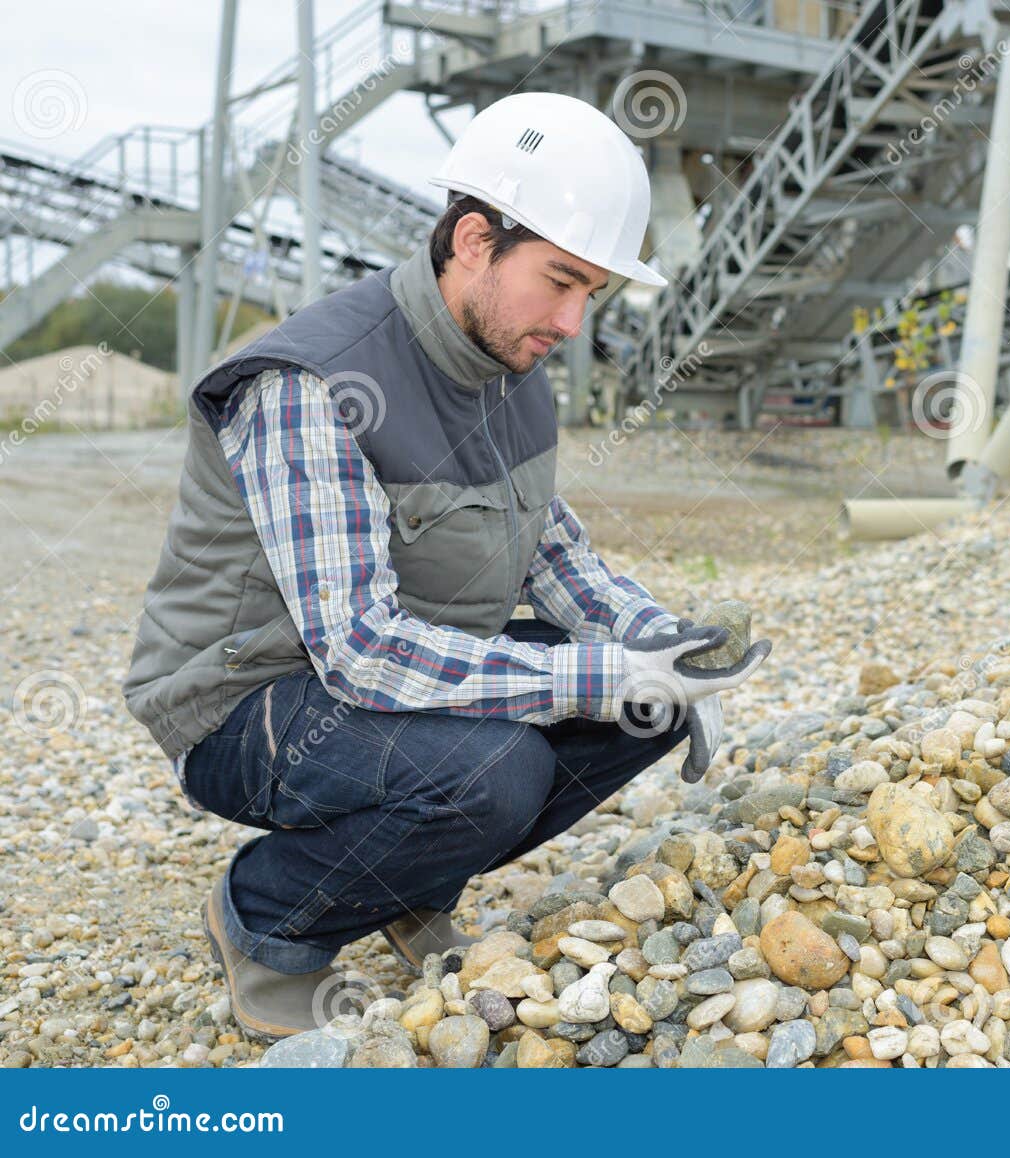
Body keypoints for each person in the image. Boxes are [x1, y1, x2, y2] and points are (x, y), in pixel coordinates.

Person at [120, 91, 770, 1041]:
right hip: (247, 697)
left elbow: (553, 555)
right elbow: (359, 649)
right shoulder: (313, 384)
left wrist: (660, 650)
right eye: (560, 280)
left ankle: (404, 872)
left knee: (644, 697)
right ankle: (267, 921)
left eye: (592, 290)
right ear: (474, 239)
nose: (574, 320)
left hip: (388, 670)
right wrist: (592, 675)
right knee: (494, 772)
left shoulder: (506, 367)